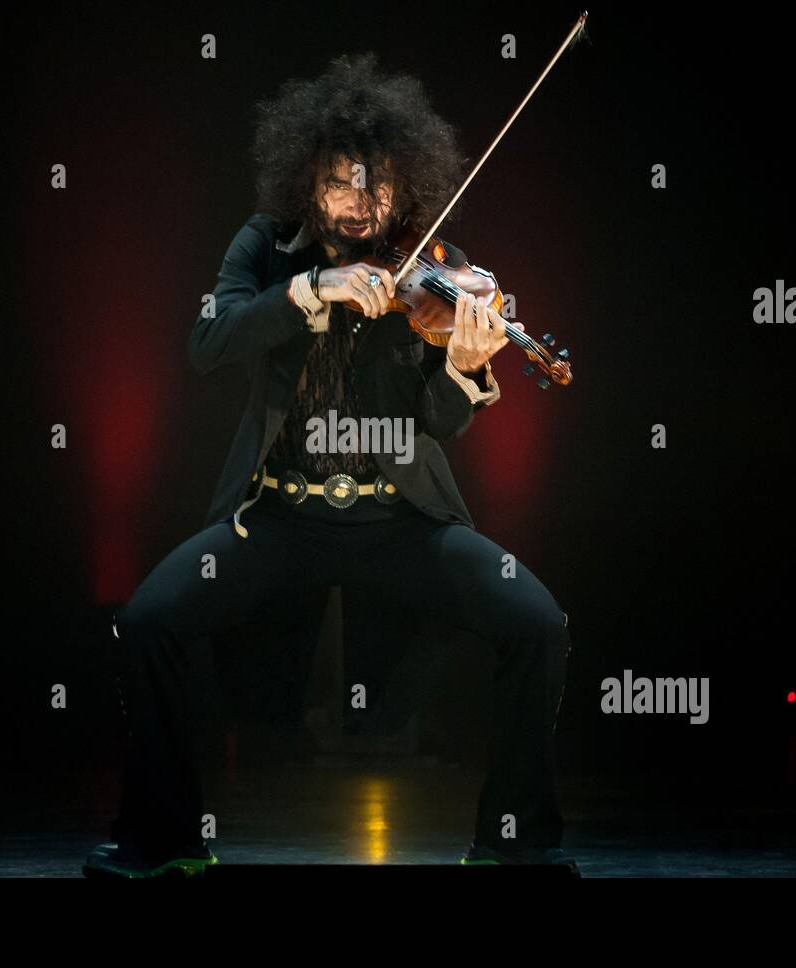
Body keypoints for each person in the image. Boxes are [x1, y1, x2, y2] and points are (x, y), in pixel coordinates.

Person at [84, 52, 576, 878]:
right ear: (308, 182)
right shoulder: (266, 248)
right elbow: (210, 341)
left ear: (404, 184)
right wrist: (314, 290)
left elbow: (435, 422)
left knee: (540, 624)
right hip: (277, 517)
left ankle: (515, 844)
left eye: (378, 185)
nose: (362, 203)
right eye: (342, 183)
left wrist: (465, 367)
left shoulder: (432, 262)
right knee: (146, 624)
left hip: (398, 522)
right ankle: (163, 839)